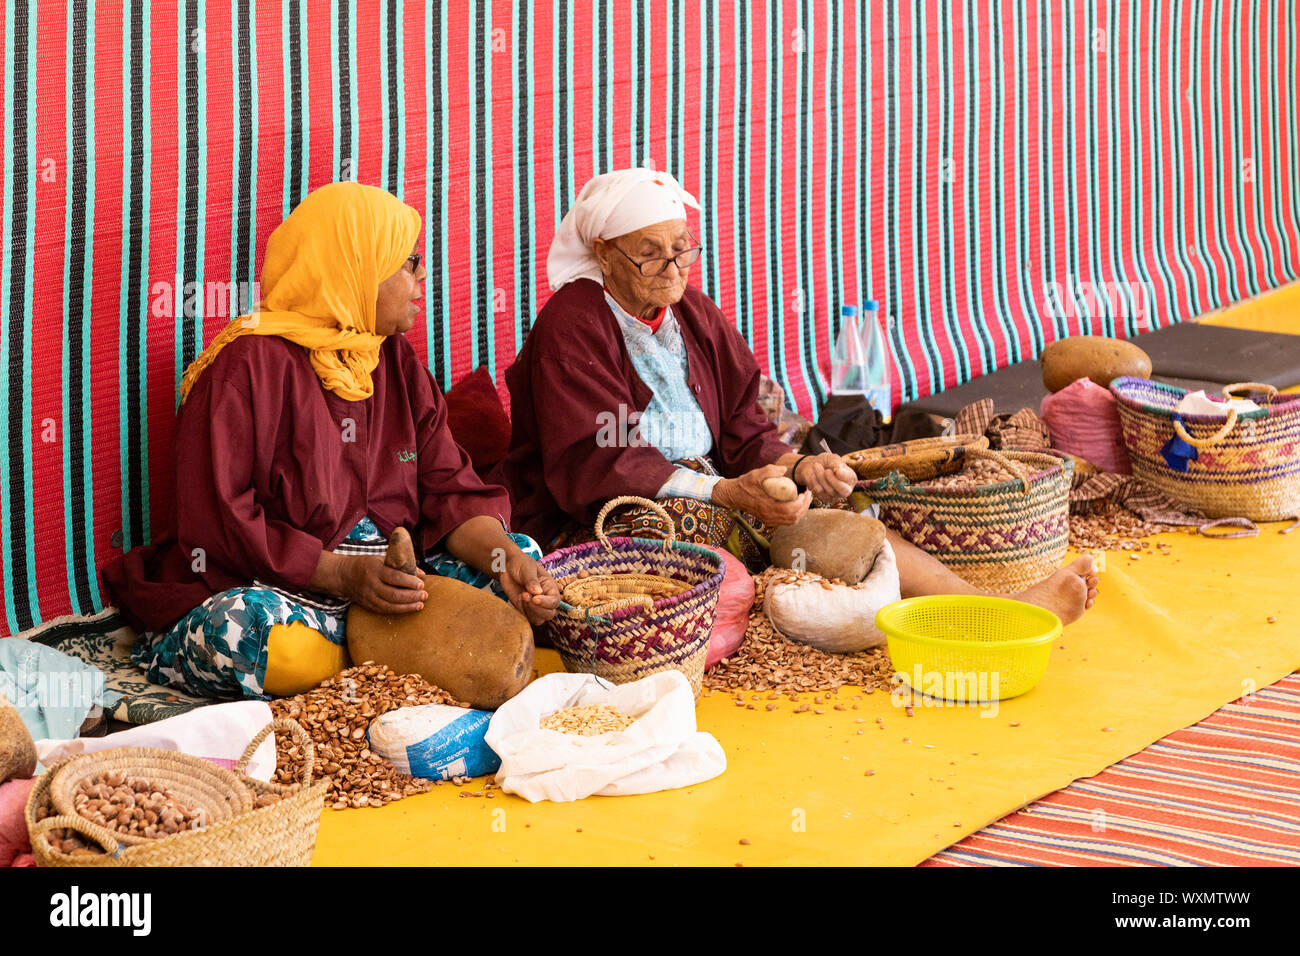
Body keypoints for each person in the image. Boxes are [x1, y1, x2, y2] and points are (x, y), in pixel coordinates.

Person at [503, 168, 1098, 623]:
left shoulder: (693, 313)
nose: (673, 267)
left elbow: (743, 424)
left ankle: (988, 611)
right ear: (605, 253)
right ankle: (960, 613)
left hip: (711, 490)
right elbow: (601, 462)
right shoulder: (573, 326)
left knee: (834, 512)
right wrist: (728, 492)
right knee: (758, 535)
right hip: (599, 517)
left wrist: (798, 465)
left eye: (682, 246)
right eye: (650, 252)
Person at [101, 182, 559, 700]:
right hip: (283, 587)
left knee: (520, 556)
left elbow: (449, 488)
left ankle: (375, 657)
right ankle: (396, 658)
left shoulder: (396, 361)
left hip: (394, 583)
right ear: (353, 268)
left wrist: (504, 558)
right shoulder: (245, 368)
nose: (423, 275)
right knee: (250, 634)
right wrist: (343, 574)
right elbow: (217, 525)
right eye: (407, 262)